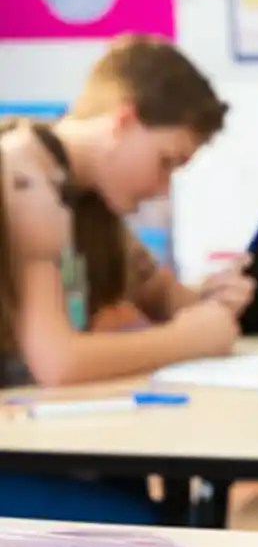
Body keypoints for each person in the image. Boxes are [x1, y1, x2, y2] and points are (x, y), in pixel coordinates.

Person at [12, 35, 247, 386]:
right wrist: (188, 340)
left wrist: (207, 298)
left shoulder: (93, 194)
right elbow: (58, 363)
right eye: (166, 162)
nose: (164, 188)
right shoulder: (22, 175)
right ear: (124, 120)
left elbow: (157, 291)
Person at [0, 118, 161, 522]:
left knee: (126, 486)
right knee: (133, 518)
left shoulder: (35, 267)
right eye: (22, 184)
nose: (55, 198)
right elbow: (59, 362)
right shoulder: (33, 260)